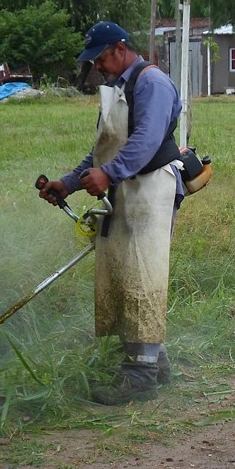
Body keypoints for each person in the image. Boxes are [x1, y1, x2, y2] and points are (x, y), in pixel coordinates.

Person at [38, 22, 183, 404]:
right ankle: (155, 362)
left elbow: (146, 141)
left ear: (120, 48)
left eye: (100, 57)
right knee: (125, 275)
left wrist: (109, 173)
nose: (97, 66)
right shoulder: (120, 88)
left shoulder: (151, 84)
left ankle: (140, 377)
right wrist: (70, 182)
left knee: (143, 274)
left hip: (150, 190)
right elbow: (102, 149)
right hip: (124, 191)